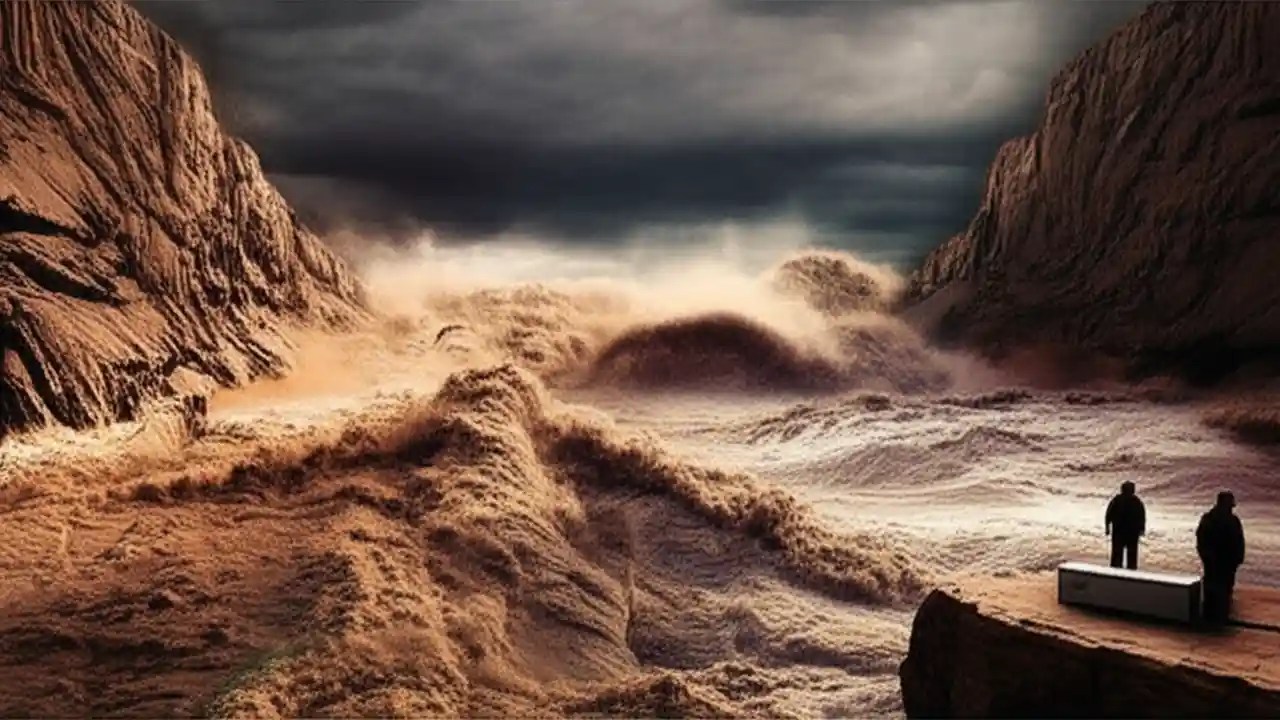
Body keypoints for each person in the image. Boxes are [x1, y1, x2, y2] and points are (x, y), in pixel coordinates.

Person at [1196, 491, 1246, 624]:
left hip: (1223, 561)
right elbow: (1202, 539)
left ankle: (1216, 614)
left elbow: (1239, 541)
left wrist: (1238, 557)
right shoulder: (1223, 520)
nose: (1230, 508)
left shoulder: (1211, 518)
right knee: (1219, 586)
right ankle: (1216, 615)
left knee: (1221, 586)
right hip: (1219, 560)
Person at [1105, 481, 1145, 569]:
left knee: (1128, 555)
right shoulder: (1133, 501)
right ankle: (1119, 571)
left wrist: (1142, 528)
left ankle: (1123, 570)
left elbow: (1141, 516)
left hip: (1127, 532)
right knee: (1120, 554)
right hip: (1123, 532)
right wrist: (1107, 527)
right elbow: (1109, 514)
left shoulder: (1133, 501)